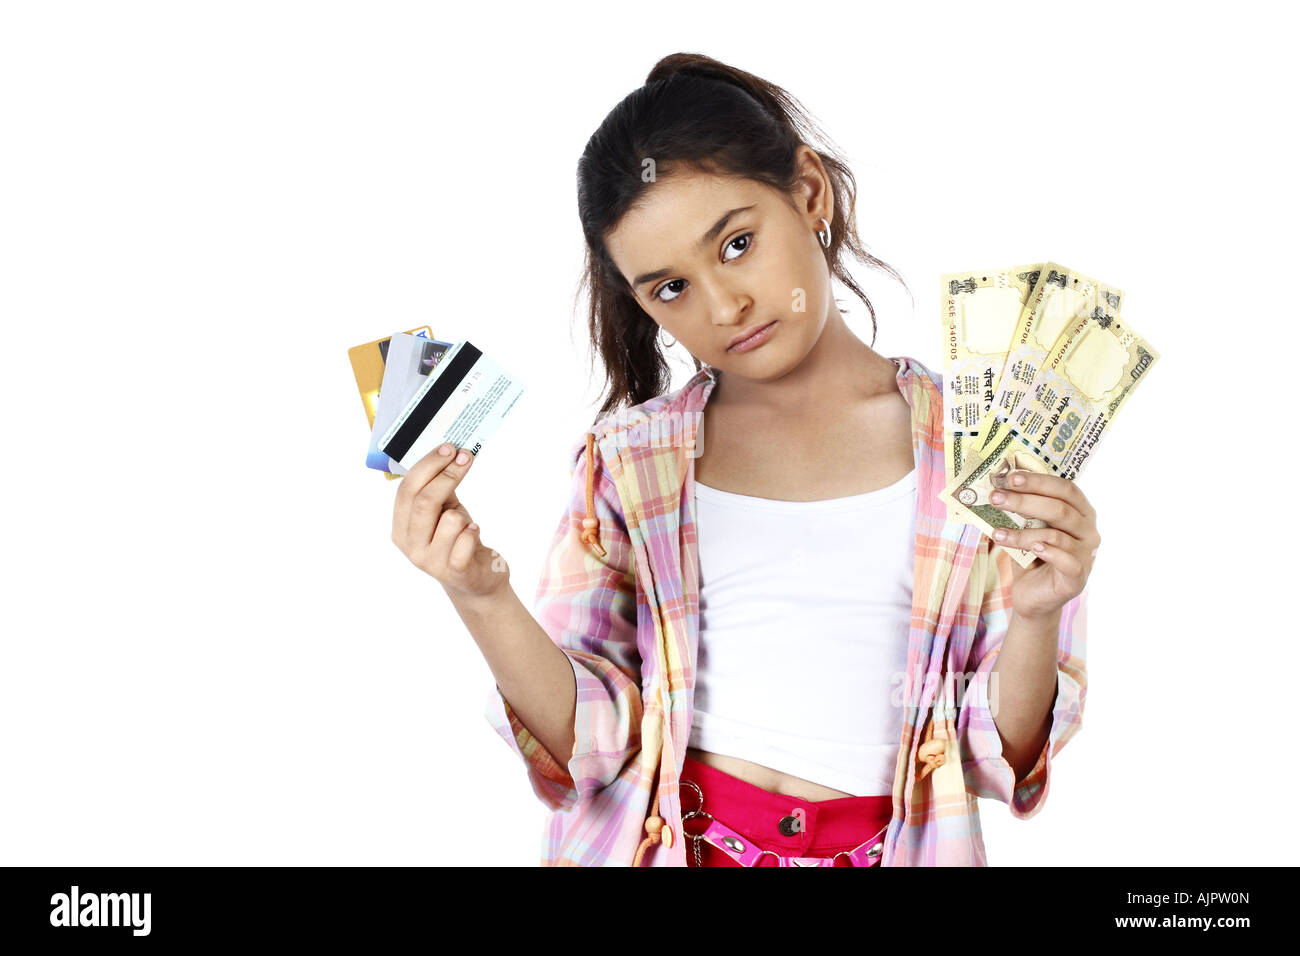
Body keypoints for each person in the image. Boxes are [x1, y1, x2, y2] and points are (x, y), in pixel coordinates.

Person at [390, 53, 1097, 866]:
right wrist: (479, 593)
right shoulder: (630, 465)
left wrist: (1040, 613)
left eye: (736, 244)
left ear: (809, 193)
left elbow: (996, 760)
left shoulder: (974, 448)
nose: (725, 306)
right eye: (670, 289)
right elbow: (588, 746)